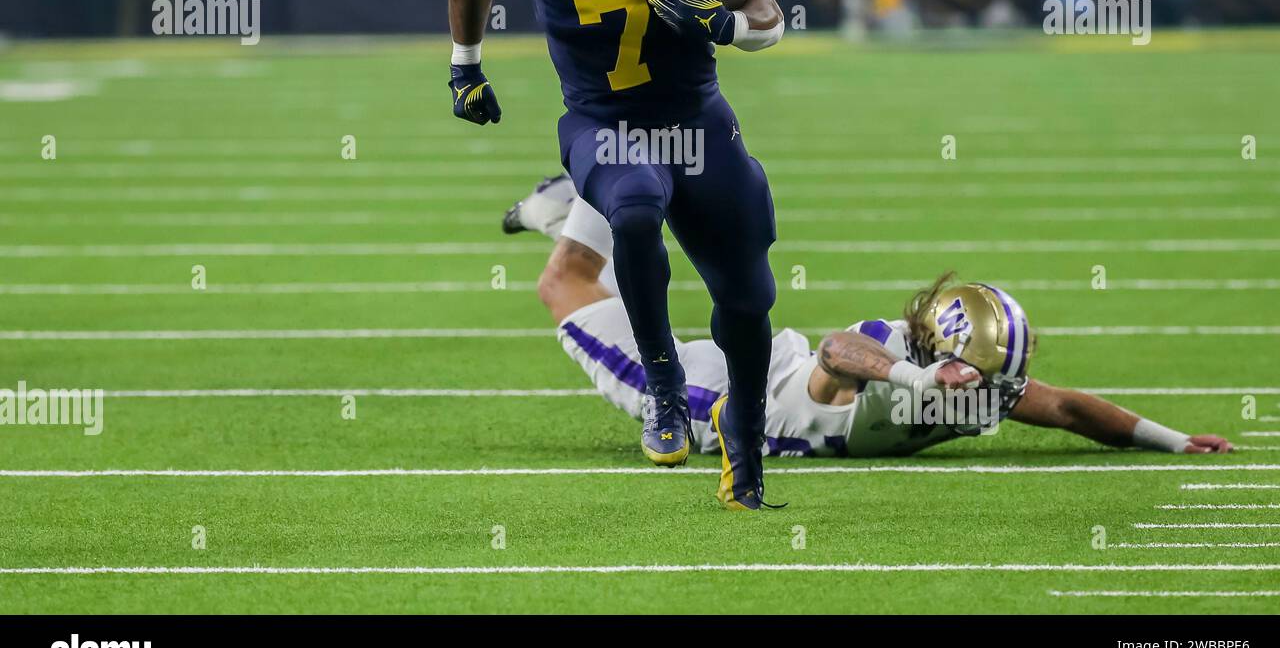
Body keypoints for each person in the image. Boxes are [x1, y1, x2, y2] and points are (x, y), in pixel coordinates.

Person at [449, 0, 786, 510]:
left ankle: (746, 431)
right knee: (632, 206)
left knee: (747, 296)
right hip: (601, 122)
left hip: (696, 118)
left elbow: (768, 16)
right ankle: (662, 381)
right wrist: (464, 67)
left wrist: (723, 25)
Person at [508, 182, 1234, 460]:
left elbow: (1071, 408)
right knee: (563, 284)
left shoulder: (972, 384)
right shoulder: (891, 376)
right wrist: (921, 376)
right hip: (712, 400)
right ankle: (597, 177)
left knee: (586, 284)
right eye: (974, 375)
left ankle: (580, 198)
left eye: (989, 380)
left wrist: (1172, 442)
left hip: (766, 375)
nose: (986, 393)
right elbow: (838, 352)